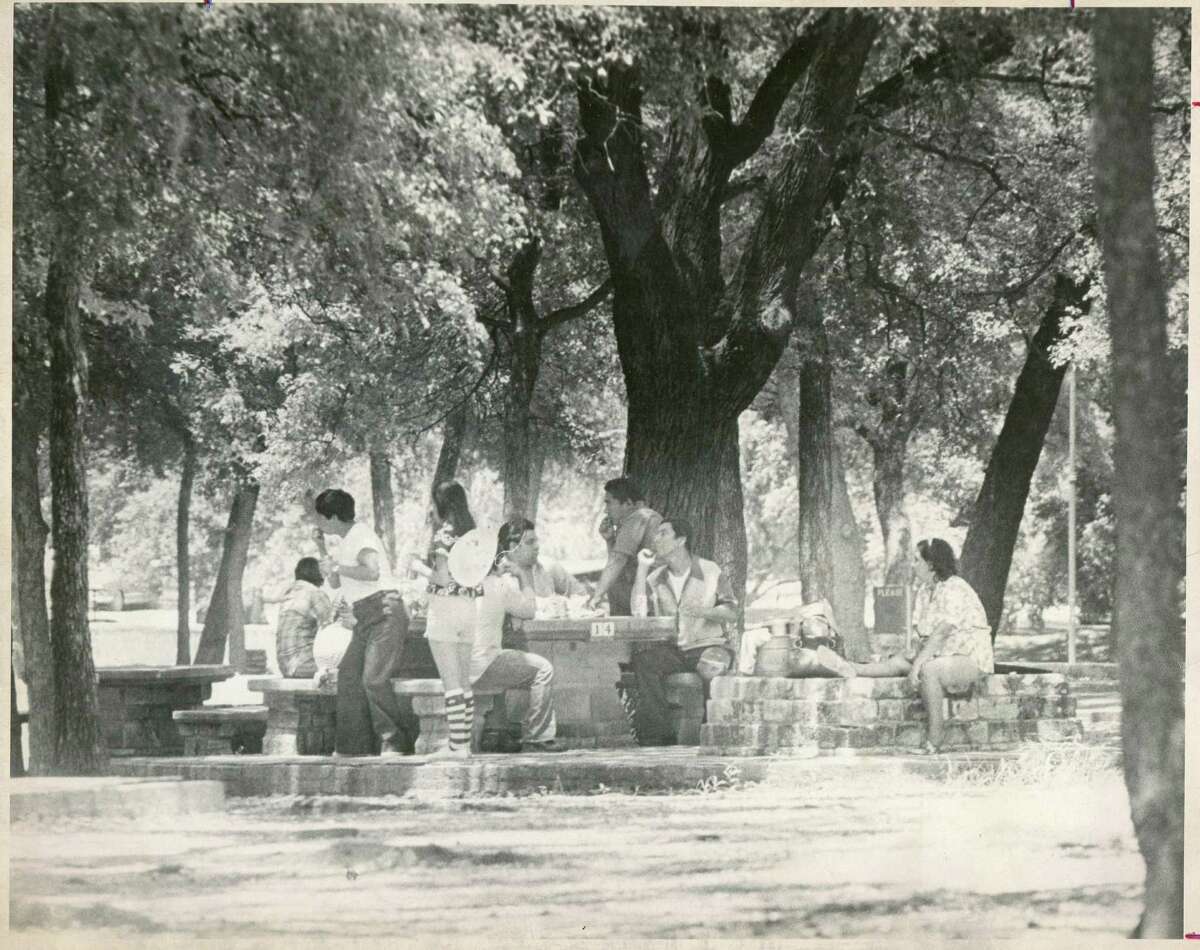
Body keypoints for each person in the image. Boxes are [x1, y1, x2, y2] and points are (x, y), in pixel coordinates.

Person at [817, 537, 994, 754]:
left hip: (971, 659)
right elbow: (922, 634)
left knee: (929, 670)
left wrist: (918, 665)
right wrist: (910, 652)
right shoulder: (924, 592)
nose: (913, 564)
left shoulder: (955, 588)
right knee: (900, 661)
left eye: (917, 560)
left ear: (931, 564)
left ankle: (934, 742)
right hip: (942, 655)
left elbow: (941, 633)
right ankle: (849, 667)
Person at [313, 488, 415, 756]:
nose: (318, 522)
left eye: (320, 517)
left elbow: (372, 571)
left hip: (384, 610)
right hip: (363, 615)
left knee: (374, 679)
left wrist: (337, 567)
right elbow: (336, 582)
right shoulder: (344, 542)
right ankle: (353, 746)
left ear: (333, 517)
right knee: (348, 675)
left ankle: (394, 741)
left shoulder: (362, 535)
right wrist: (322, 549)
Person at [628, 516, 737, 745]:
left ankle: (712, 734)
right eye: (656, 534)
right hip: (675, 650)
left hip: (709, 645)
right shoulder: (655, 578)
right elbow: (638, 612)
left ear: (681, 540)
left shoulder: (709, 570)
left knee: (711, 666)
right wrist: (642, 568)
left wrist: (703, 611)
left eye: (663, 533)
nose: (655, 539)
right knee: (644, 662)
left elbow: (731, 612)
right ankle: (661, 737)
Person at [469, 529, 564, 753]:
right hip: (483, 665)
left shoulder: (464, 584)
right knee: (544, 669)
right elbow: (529, 610)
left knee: (504, 655)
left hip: (459, 665)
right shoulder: (499, 585)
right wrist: (521, 576)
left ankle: (496, 732)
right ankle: (538, 737)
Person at [425, 480, 484, 757]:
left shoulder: (443, 535)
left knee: (451, 685)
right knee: (464, 682)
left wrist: (417, 568)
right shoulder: (474, 537)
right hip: (469, 608)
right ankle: (464, 744)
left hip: (444, 609)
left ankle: (456, 746)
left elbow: (442, 578)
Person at [586, 477, 662, 616]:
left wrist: (596, 597)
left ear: (628, 503)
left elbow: (617, 560)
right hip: (644, 593)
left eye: (609, 503)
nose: (606, 510)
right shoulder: (641, 518)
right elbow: (618, 564)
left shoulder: (639, 516)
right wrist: (610, 540)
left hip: (648, 598)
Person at [275, 557, 335, 678]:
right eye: (323, 571)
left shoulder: (290, 592)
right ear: (317, 573)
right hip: (303, 663)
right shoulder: (315, 593)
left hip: (285, 665)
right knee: (351, 665)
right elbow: (332, 630)